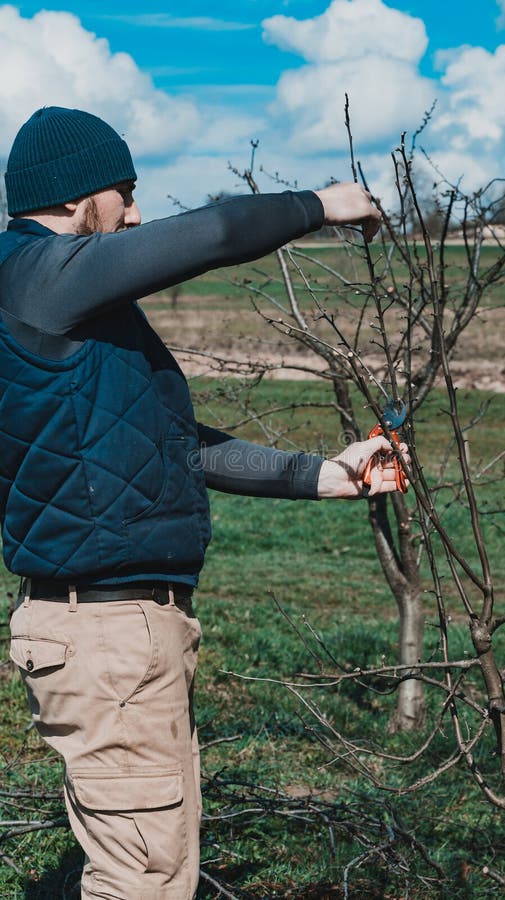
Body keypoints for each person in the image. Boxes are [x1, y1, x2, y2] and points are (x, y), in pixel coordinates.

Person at [2, 107, 406, 900]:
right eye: (126, 191)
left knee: (159, 869)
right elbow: (215, 234)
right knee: (141, 881)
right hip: (107, 633)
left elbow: (174, 439)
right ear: (81, 197)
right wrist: (322, 205)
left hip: (119, 630)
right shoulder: (40, 275)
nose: (138, 212)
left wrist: (320, 473)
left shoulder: (68, 309)